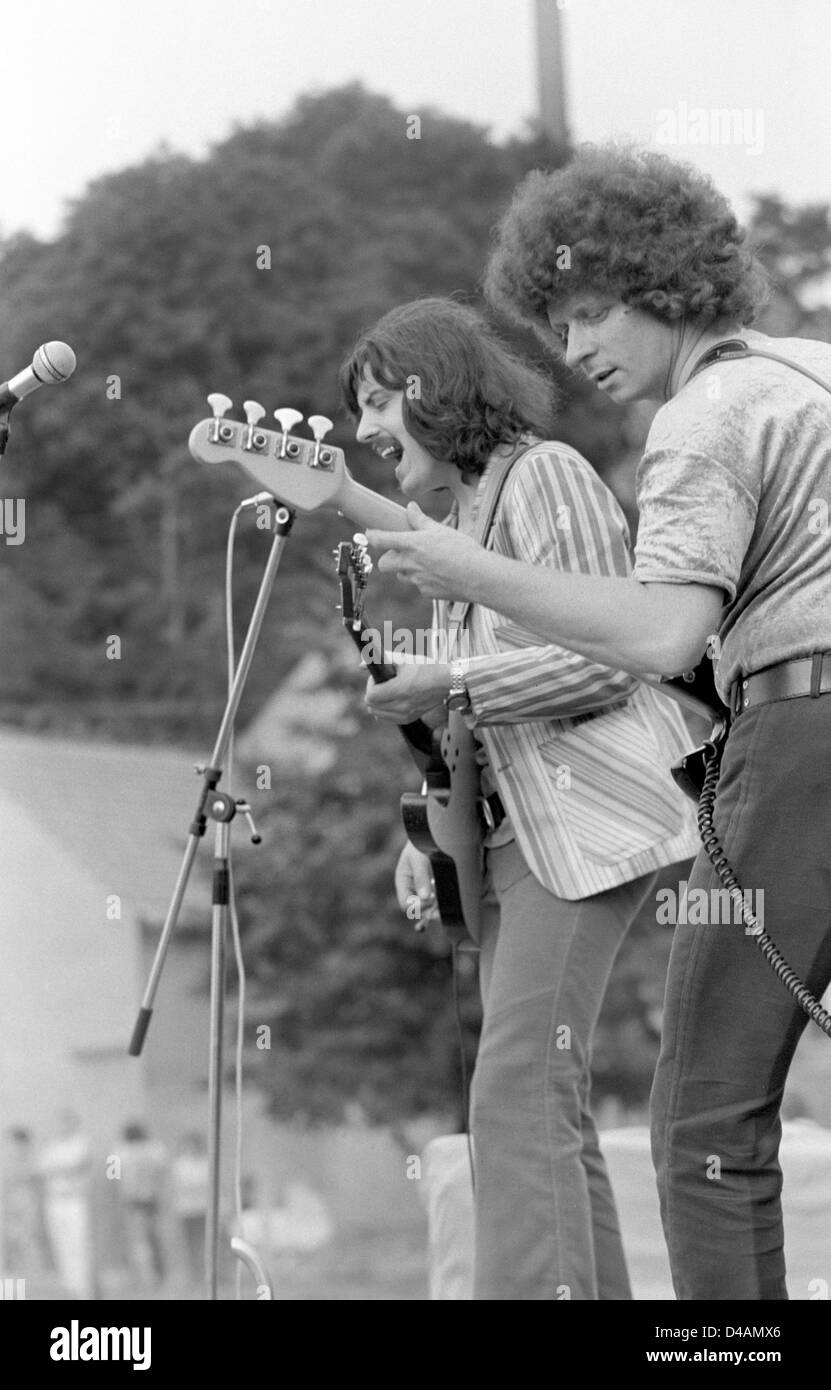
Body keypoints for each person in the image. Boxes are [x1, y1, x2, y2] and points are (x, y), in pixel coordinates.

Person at [364, 150, 831, 1302]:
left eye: (588, 313)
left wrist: (468, 599)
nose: (570, 351)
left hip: (799, 731)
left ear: (666, 283)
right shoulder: (813, 372)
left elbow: (662, 639)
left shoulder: (703, 414)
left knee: (705, 1122)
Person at [338, 297, 700, 1300]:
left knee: (513, 1091)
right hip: (512, 842)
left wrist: (446, 683)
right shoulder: (466, 537)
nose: (364, 431)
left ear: (432, 388)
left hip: (583, 827)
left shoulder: (549, 475)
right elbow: (479, 715)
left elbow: (606, 663)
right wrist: (428, 822)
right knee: (547, 1104)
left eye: (376, 401)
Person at [38, 1109, 95, 1298]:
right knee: (60, 1245)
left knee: (78, 1245)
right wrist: (59, 1169)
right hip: (54, 1201)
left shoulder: (81, 1143)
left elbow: (76, 1164)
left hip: (75, 1201)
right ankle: (70, 1289)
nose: (61, 1127)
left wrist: (58, 1168)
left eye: (65, 1123)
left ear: (73, 1124)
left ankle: (84, 1291)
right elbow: (41, 1169)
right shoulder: (52, 1146)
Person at [118, 1121, 168, 1286]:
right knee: (150, 1237)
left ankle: (147, 1275)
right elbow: (162, 1169)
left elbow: (112, 1175)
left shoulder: (122, 1151)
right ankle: (151, 1274)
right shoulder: (154, 1149)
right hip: (148, 1198)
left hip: (136, 1199)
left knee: (140, 1238)